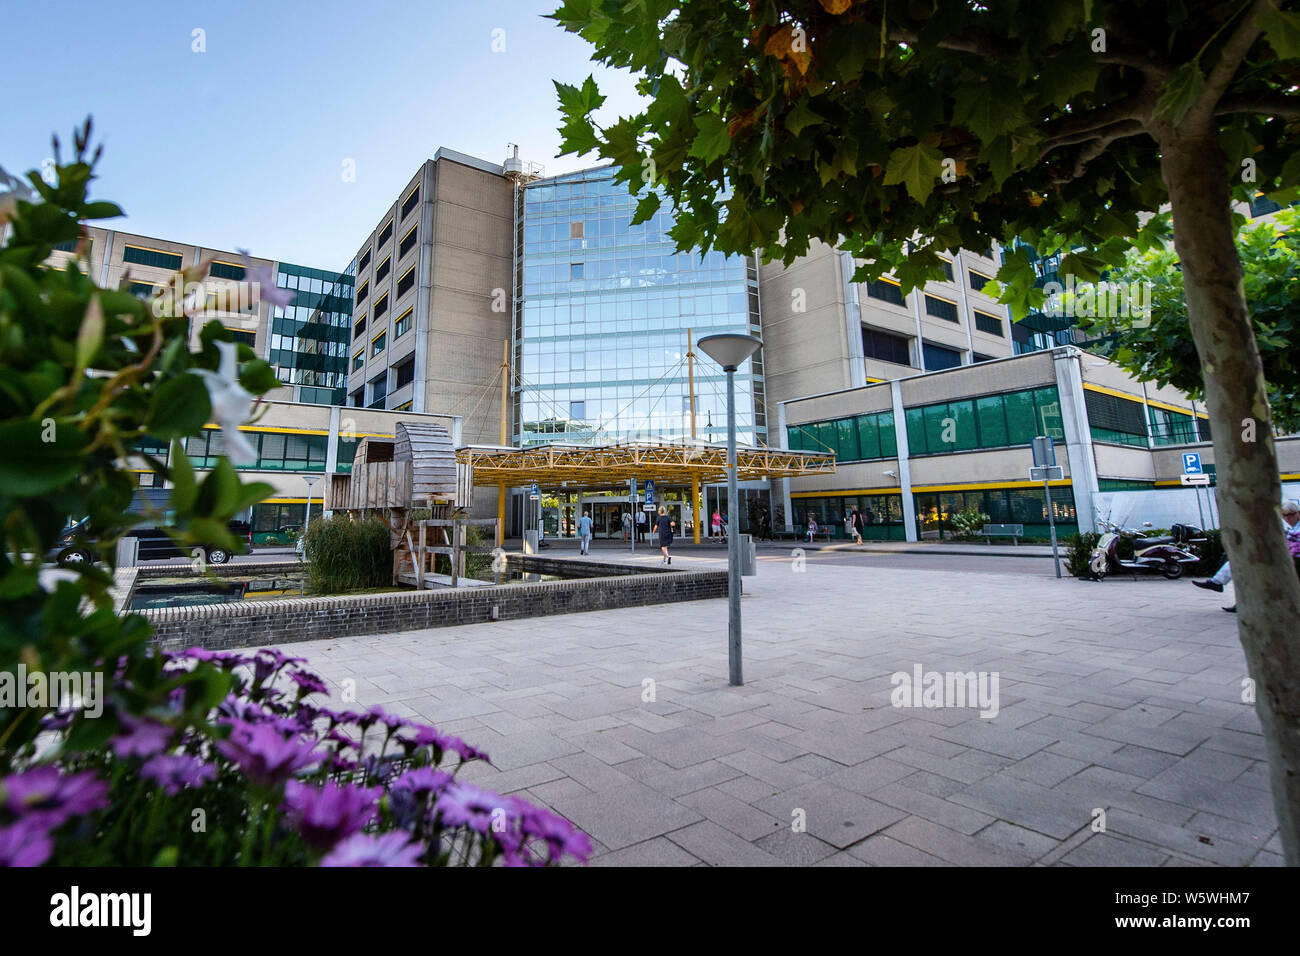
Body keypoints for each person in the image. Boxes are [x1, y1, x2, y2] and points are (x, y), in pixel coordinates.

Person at [1193, 498, 1300, 613]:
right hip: (1285, 560)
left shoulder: (1297, 528)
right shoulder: (1294, 528)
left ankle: (1220, 585)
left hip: (1290, 563)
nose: (1287, 518)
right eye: (1284, 516)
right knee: (1242, 564)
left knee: (1248, 568)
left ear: (1298, 513)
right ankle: (1223, 587)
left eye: (1290, 515)